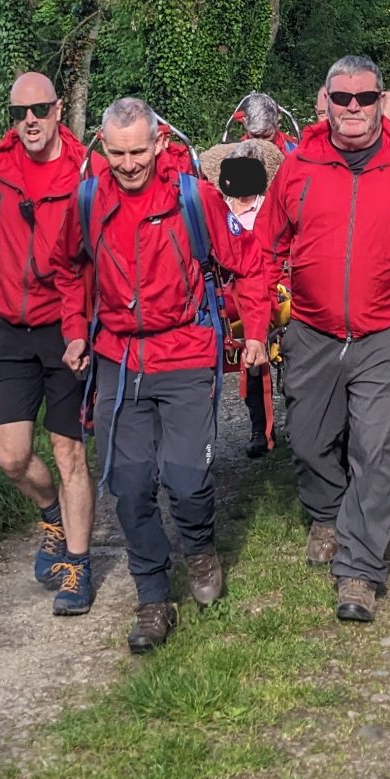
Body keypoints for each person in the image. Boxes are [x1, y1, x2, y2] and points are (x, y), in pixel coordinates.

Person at [258, 57, 390, 623]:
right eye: (342, 97)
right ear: (323, 101)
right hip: (312, 330)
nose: (353, 107)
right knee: (308, 442)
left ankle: (359, 567)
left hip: (389, 330)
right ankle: (327, 514)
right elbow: (262, 248)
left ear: (382, 102)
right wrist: (261, 312)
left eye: (365, 97)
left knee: (376, 450)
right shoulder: (299, 165)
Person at [57, 98, 274, 653]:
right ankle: (153, 597)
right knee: (128, 486)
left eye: (138, 152)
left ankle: (199, 548)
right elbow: (69, 268)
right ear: (102, 147)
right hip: (120, 359)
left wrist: (254, 330)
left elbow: (250, 262)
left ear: (158, 144)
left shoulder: (192, 197)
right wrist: (76, 330)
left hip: (185, 352)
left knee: (186, 479)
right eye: (117, 152)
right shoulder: (88, 200)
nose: (128, 164)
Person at [0, 71, 97, 615]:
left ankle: (78, 566)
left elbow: (90, 255)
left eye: (40, 110)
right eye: (21, 112)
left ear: (59, 109)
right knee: (13, 458)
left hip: (63, 330)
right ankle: (50, 513)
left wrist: (79, 327)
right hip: (9, 330)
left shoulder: (84, 170)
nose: (31, 121)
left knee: (68, 453)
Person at [216, 141, 288, 458]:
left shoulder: (269, 209)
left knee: (268, 346)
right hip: (229, 295)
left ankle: (274, 425)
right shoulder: (217, 208)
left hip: (263, 291)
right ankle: (256, 429)